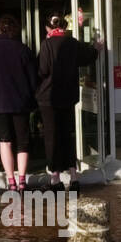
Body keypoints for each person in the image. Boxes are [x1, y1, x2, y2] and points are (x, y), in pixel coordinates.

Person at [36, 13, 101, 191]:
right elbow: (89, 55)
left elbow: (42, 70)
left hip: (49, 98)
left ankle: (55, 180)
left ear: (48, 28)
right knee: (67, 135)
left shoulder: (47, 44)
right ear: (64, 27)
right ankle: (73, 177)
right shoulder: (73, 44)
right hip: (69, 96)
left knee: (52, 137)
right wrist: (97, 47)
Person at [0, 14, 37, 190]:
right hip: (21, 102)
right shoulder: (23, 50)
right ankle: (22, 181)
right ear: (16, 30)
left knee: (5, 140)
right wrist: (33, 101)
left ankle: (10, 180)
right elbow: (33, 79)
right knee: (23, 142)